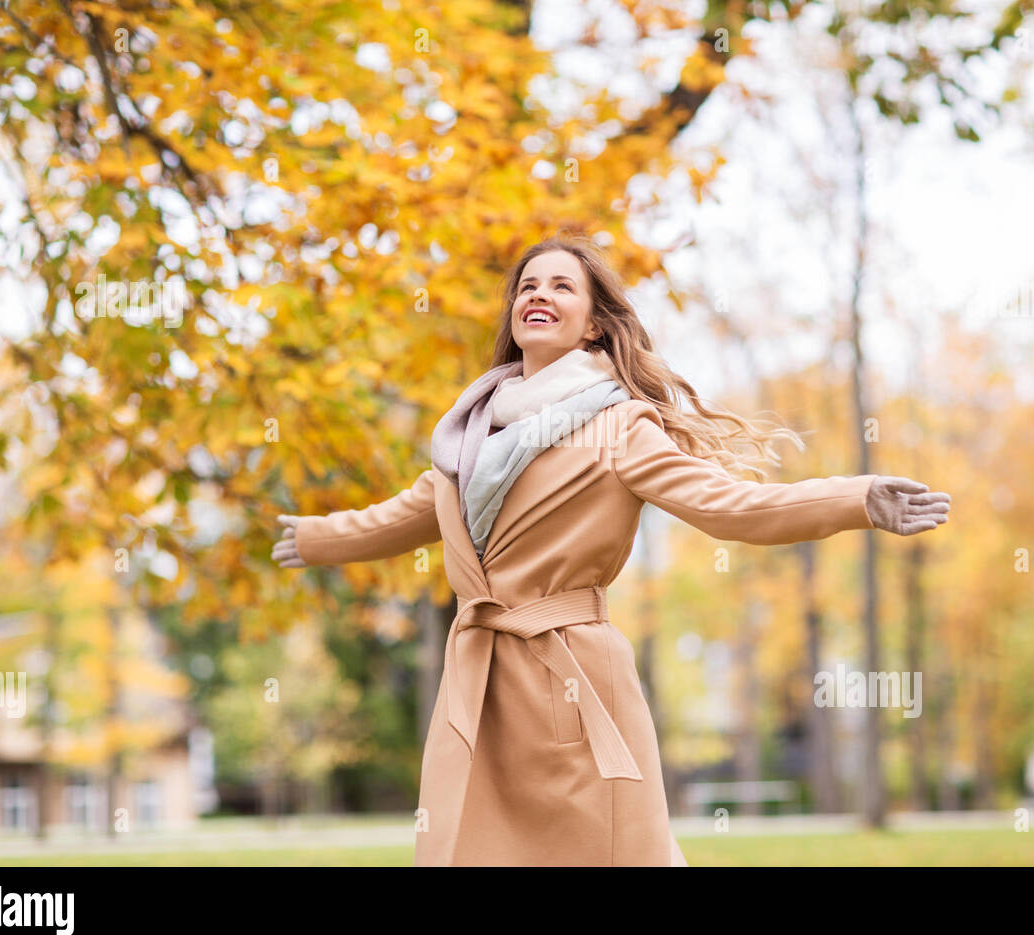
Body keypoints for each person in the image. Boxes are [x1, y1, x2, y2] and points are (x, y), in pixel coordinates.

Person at [272, 234, 951, 866]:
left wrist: (855, 499)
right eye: (527, 285)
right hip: (478, 686)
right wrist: (312, 537)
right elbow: (400, 516)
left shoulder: (620, 426)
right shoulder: (468, 440)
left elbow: (729, 507)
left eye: (561, 286)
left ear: (595, 323)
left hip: (571, 678)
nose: (537, 295)